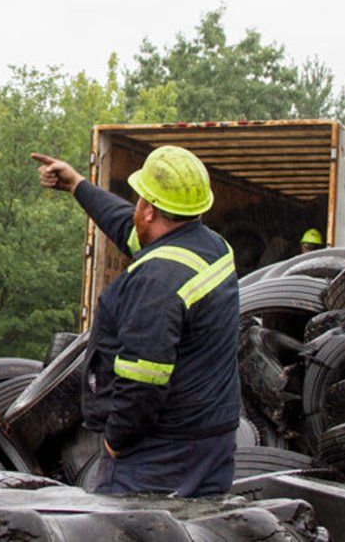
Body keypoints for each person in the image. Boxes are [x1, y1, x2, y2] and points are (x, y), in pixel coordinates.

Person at [32, 146, 242, 497]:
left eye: (141, 201)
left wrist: (117, 440)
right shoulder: (212, 248)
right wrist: (78, 186)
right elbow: (125, 225)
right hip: (212, 440)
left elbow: (143, 378)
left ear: (147, 210)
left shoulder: (157, 280)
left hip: (160, 454)